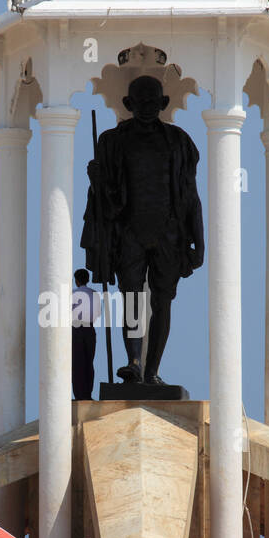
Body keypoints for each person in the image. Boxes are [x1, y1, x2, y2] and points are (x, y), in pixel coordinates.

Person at [81, 75, 204, 385]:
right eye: (140, 102)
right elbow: (107, 198)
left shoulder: (180, 143)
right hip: (130, 232)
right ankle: (134, 363)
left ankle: (152, 371)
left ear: (164, 104)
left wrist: (199, 242)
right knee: (133, 298)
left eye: (153, 102)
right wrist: (96, 179)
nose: (147, 108)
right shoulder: (112, 142)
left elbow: (190, 195)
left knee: (162, 301)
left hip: (170, 233)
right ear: (128, 105)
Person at [71, 268, 100, 400]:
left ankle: (79, 395)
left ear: (76, 280)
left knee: (77, 363)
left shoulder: (72, 294)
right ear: (87, 279)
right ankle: (88, 394)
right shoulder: (94, 294)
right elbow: (97, 314)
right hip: (89, 329)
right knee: (89, 362)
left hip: (76, 329)